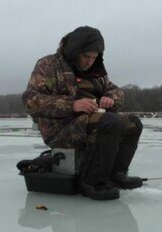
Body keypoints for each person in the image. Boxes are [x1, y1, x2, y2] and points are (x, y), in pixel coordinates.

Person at [22, 26, 143, 201]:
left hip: (93, 119)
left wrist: (110, 99)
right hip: (62, 129)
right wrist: (72, 105)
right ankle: (93, 182)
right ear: (75, 51)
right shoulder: (48, 65)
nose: (90, 62)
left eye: (94, 57)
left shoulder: (96, 69)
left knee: (133, 123)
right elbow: (30, 101)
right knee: (110, 122)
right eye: (86, 57)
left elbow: (115, 91)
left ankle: (116, 173)